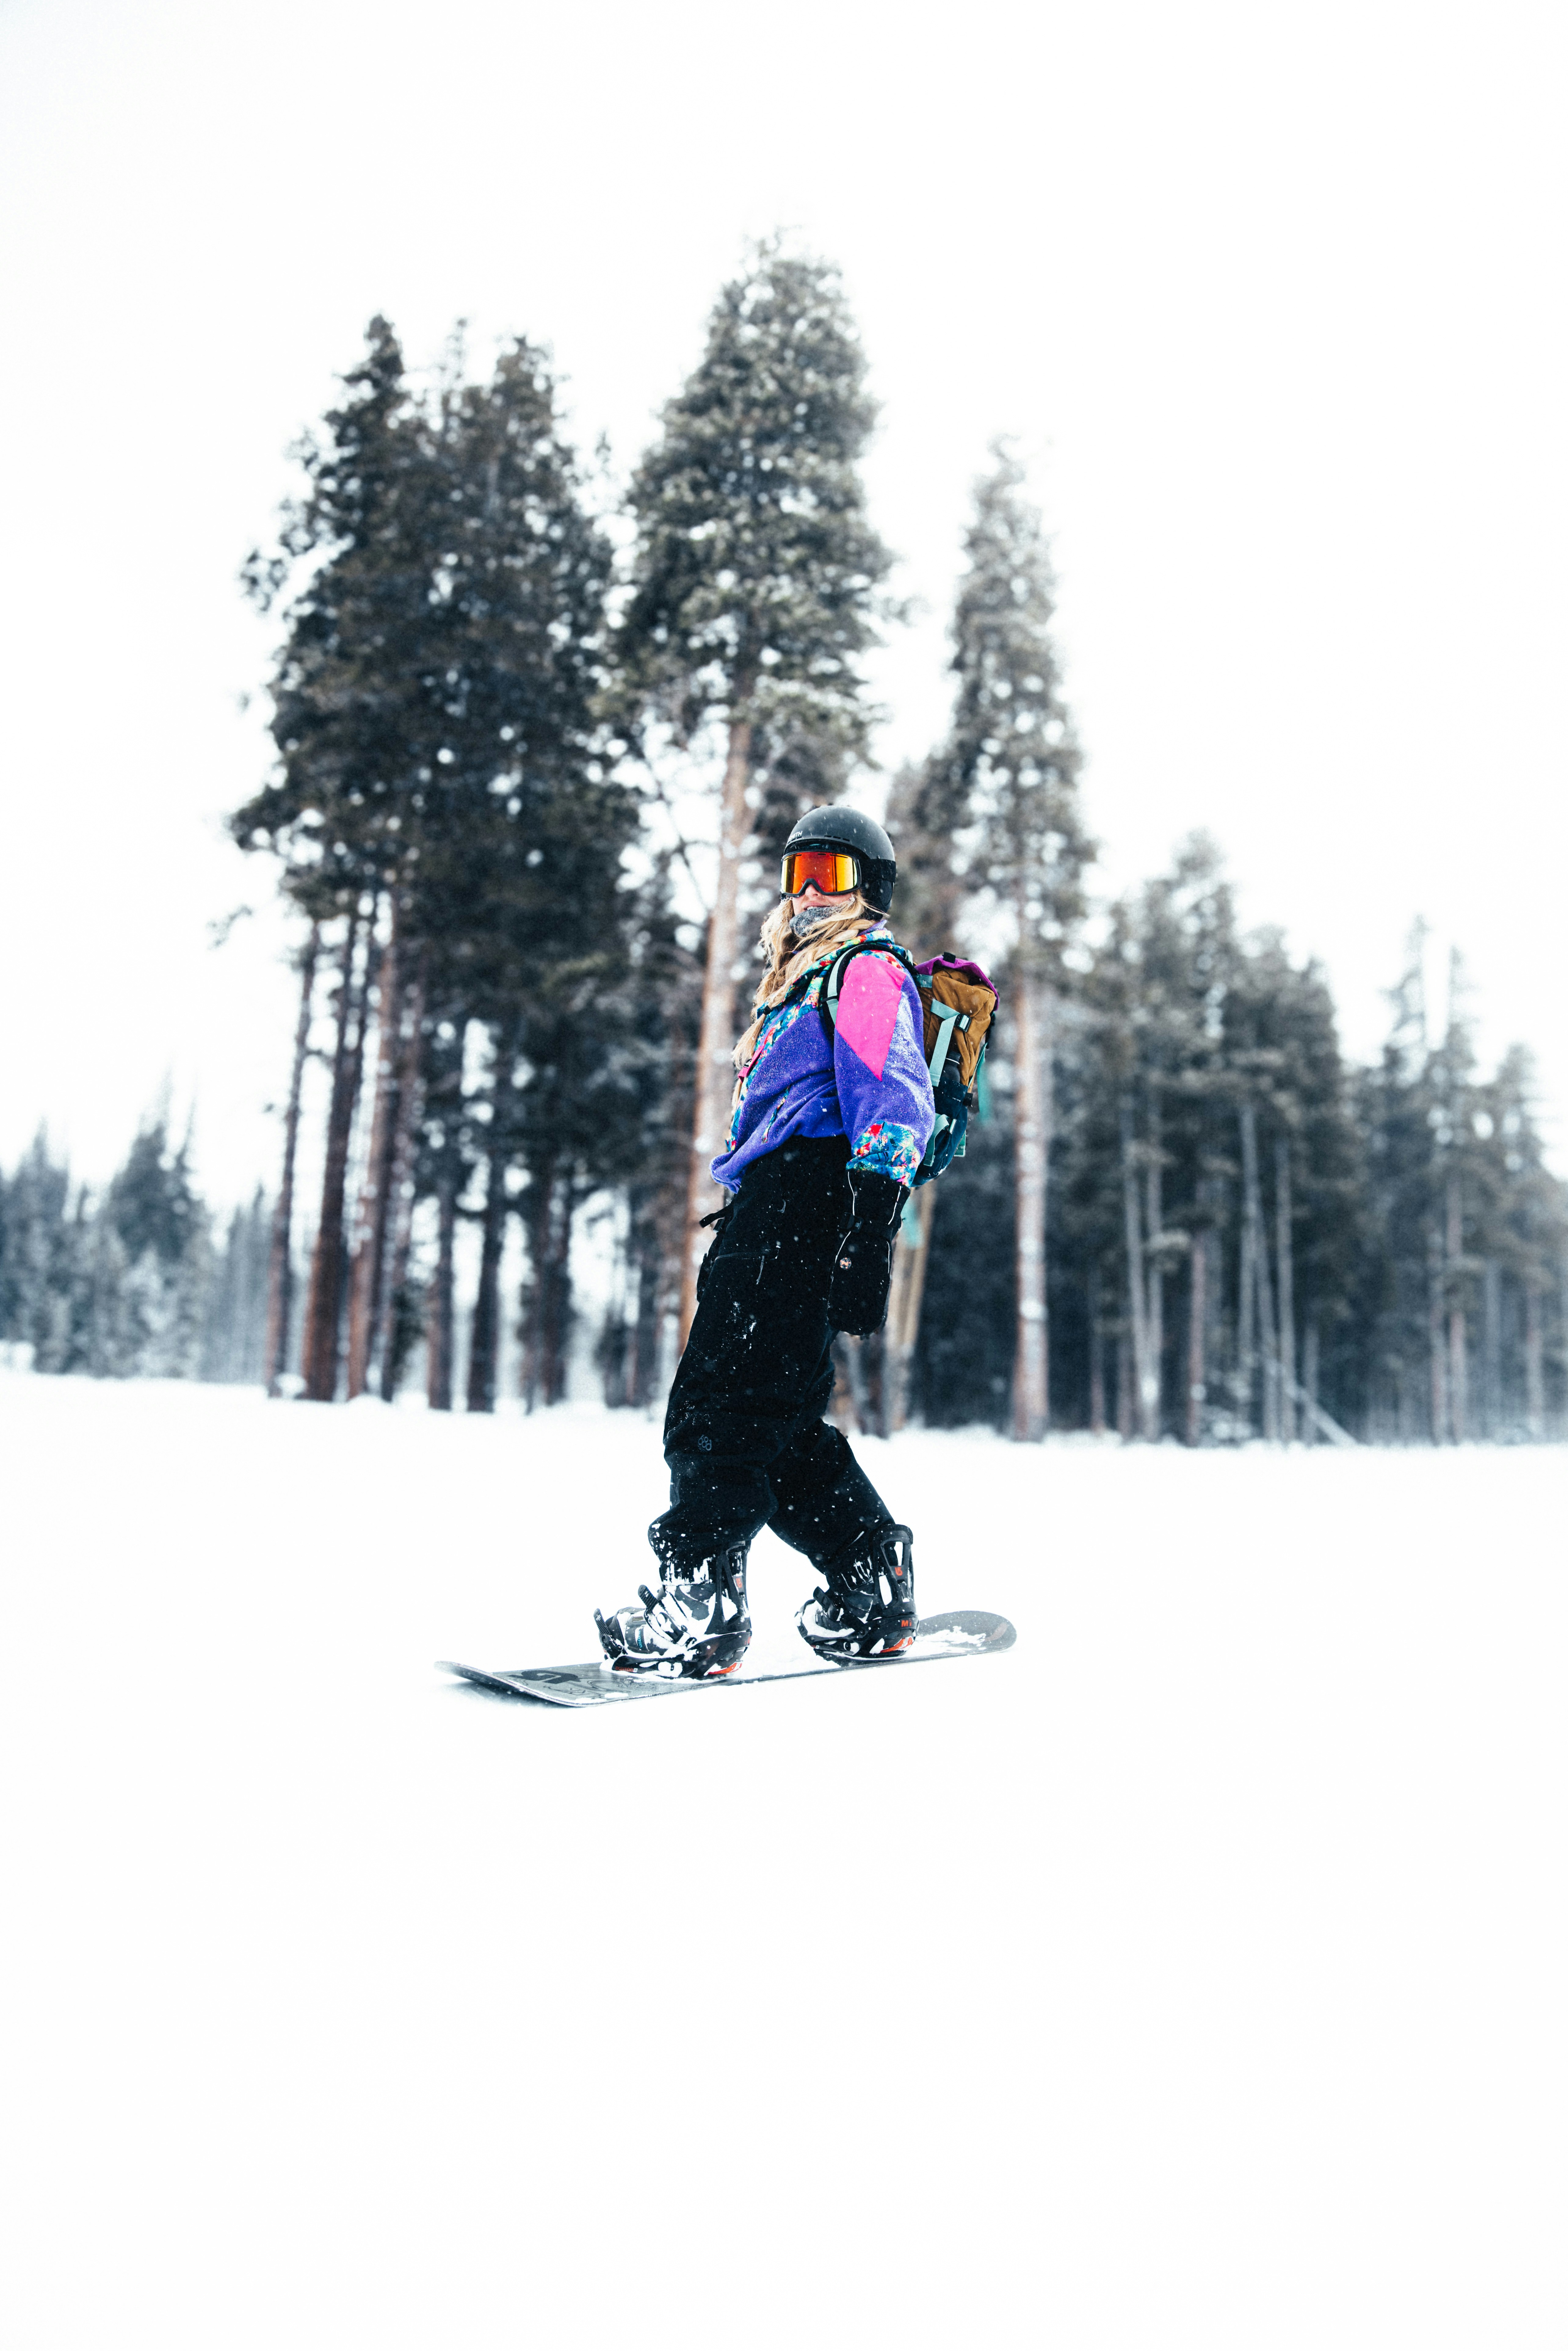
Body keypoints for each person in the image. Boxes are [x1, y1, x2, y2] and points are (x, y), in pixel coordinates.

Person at [595, 806, 936, 1679]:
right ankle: (868, 1581)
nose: (812, 893)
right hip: (771, 1207)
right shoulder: (798, 981)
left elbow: (893, 1097)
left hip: (807, 1204)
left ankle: (700, 1605)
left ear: (871, 889)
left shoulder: (864, 971)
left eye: (832, 874)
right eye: (799, 875)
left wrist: (870, 1229)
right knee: (776, 1421)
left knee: (717, 1409)